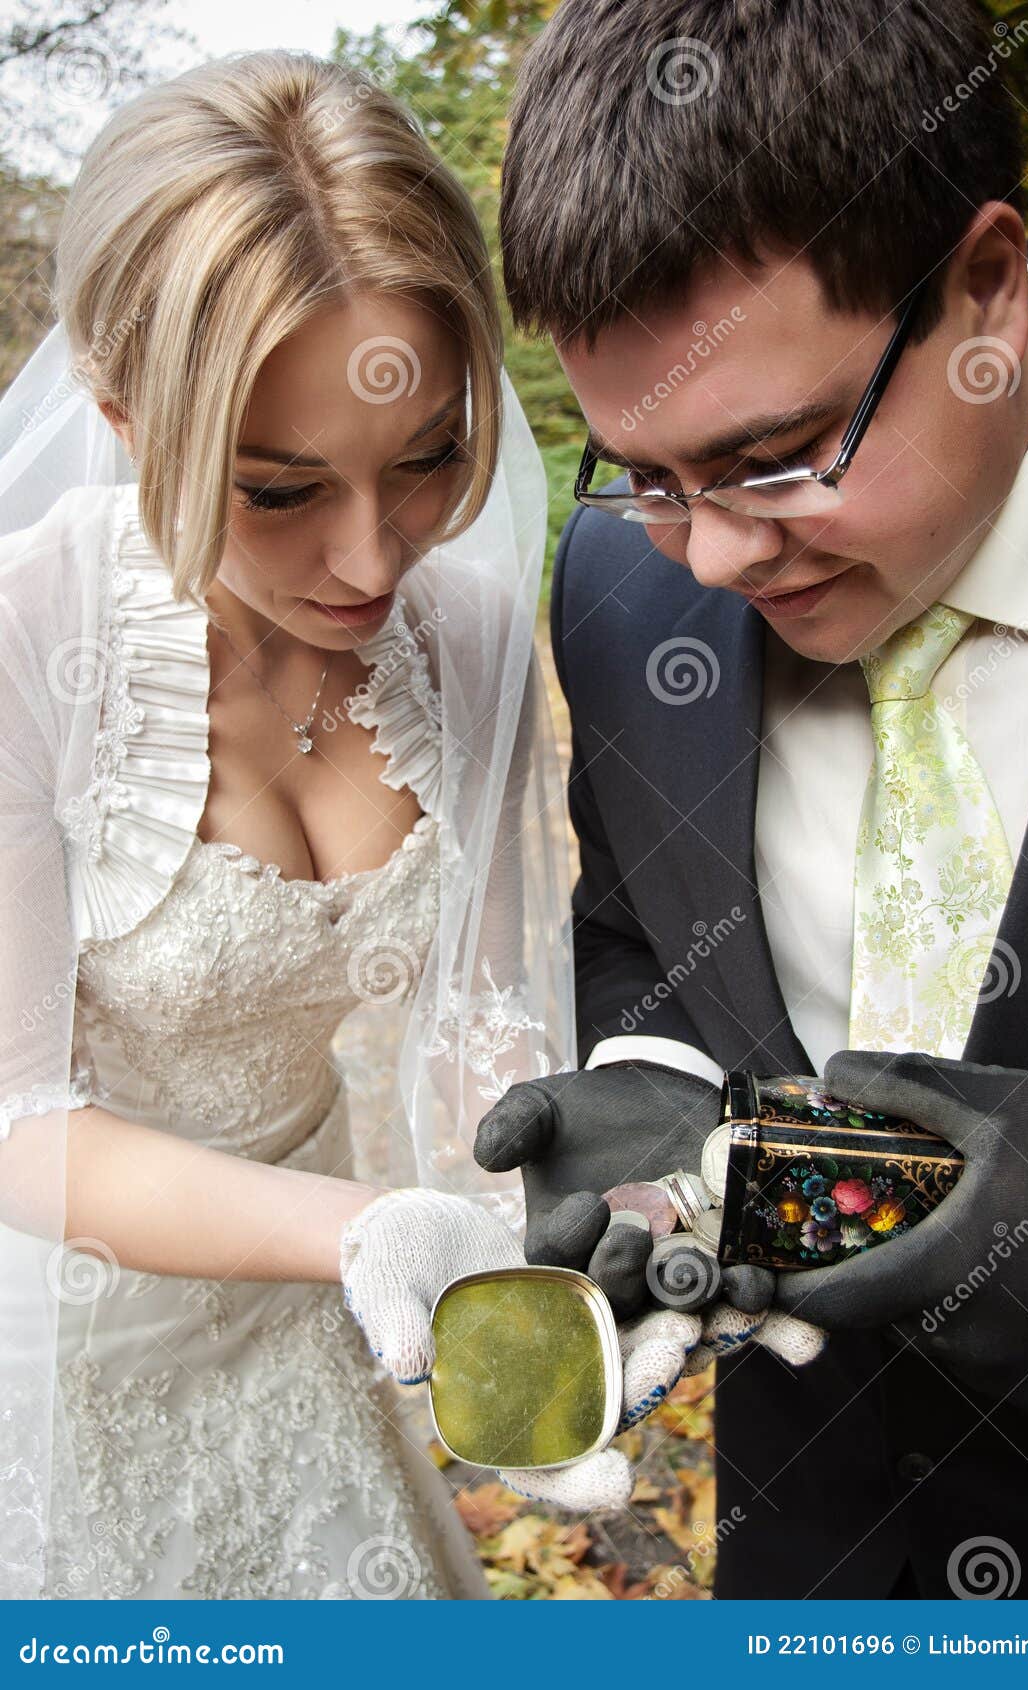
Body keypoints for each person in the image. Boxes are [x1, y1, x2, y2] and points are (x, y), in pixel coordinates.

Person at [471, 0, 1028, 1600]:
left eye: (780, 455)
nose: (715, 557)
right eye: (645, 473)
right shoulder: (617, 585)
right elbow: (635, 923)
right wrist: (660, 1082)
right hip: (812, 1547)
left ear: (986, 287)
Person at [0, 47, 581, 1601]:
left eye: (429, 458)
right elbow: (19, 1124)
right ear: (127, 415)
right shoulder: (22, 647)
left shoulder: (463, 637)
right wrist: (362, 1224)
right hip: (60, 1353)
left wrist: (579, 1239)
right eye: (277, 489)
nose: (372, 555)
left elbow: (492, 1019)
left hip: (323, 1320)